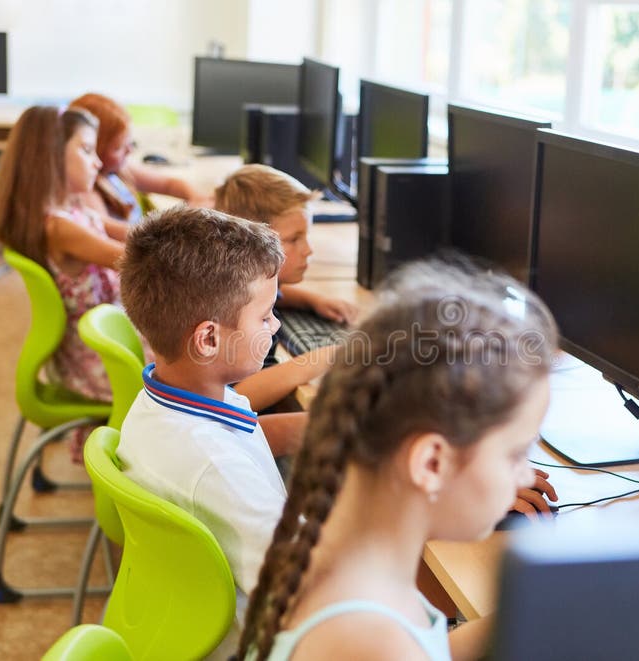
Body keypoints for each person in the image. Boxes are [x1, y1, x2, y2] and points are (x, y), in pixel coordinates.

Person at [239, 258, 560, 661]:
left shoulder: (352, 559)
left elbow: (423, 646)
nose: (526, 475)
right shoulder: (367, 639)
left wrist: (523, 616)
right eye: (515, 454)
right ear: (430, 464)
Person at [115, 206, 307, 661]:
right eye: (264, 317)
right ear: (207, 339)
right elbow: (312, 595)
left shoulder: (164, 401)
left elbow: (245, 434)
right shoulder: (215, 469)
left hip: (196, 623)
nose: (276, 325)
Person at [0, 105, 133, 459]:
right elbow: (139, 260)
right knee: (201, 364)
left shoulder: (72, 213)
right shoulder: (60, 228)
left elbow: (135, 236)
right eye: (86, 150)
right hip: (97, 361)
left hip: (92, 347)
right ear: (50, 158)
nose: (97, 162)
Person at [214, 164, 359, 410]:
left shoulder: (241, 284)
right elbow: (234, 398)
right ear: (250, 245)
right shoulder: (235, 316)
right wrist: (313, 361)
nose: (308, 250)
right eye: (294, 239)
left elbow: (270, 296)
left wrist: (310, 300)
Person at [70, 92, 213, 223]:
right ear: (94, 150)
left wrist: (195, 197)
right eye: (118, 148)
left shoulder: (120, 171)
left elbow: (169, 184)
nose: (129, 150)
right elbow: (112, 237)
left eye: (129, 143)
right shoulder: (89, 194)